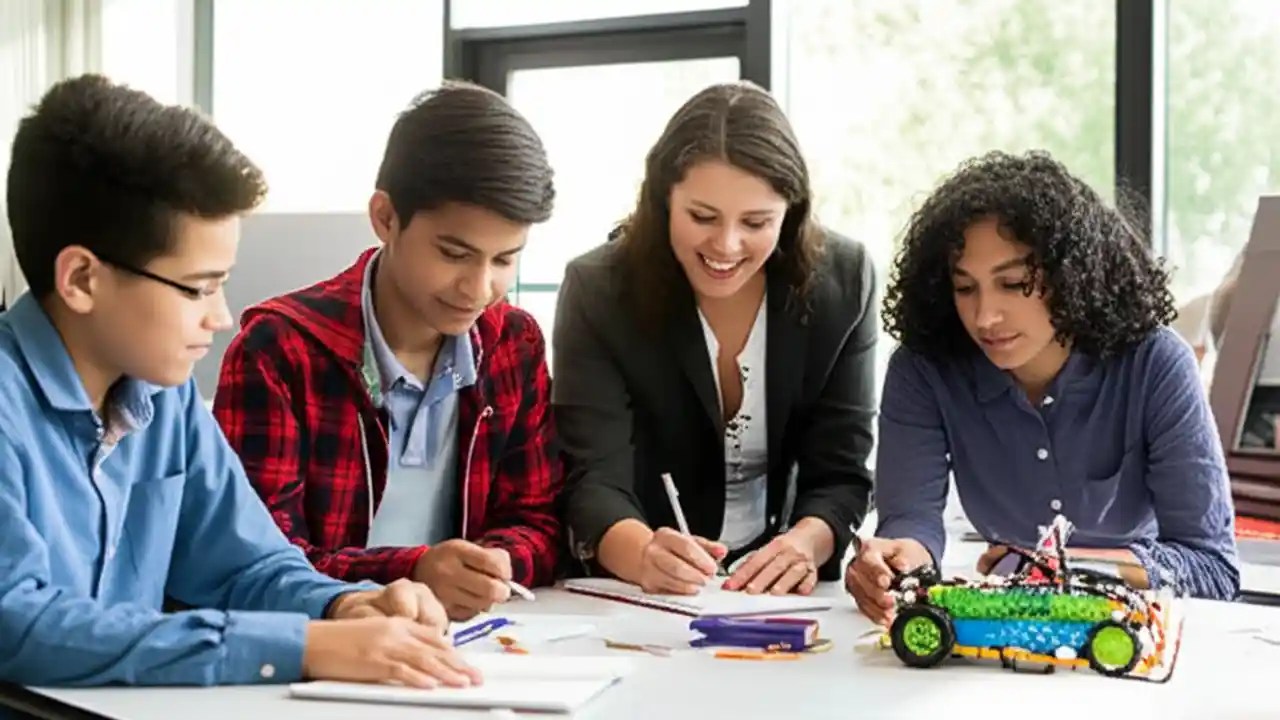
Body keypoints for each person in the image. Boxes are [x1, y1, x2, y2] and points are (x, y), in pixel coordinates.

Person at [0, 74, 478, 689]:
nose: (221, 315)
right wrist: (304, 645)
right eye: (199, 287)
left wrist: (341, 607)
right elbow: (19, 624)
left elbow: (245, 565)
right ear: (83, 280)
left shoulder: (161, 393)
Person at [214, 81, 562, 622]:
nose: (478, 287)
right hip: (327, 652)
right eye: (454, 253)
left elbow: (539, 518)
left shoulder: (513, 343)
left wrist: (496, 563)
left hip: (475, 648)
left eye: (505, 260)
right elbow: (256, 562)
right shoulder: (277, 352)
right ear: (385, 218)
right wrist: (415, 569)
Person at [846, 151, 1240, 626]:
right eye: (965, 288)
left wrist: (1067, 573)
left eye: (1013, 284)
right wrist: (894, 565)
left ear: (1072, 276)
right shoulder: (923, 370)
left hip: (1133, 635)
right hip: (1002, 634)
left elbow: (1212, 568)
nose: (985, 317)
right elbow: (911, 523)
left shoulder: (1157, 364)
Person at [554, 81, 877, 597]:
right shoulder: (599, 290)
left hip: (782, 590)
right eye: (702, 217)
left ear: (790, 213)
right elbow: (592, 478)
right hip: (639, 591)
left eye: (756, 222)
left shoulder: (846, 281)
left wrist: (806, 544)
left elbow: (842, 472)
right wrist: (642, 555)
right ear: (663, 201)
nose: (726, 245)